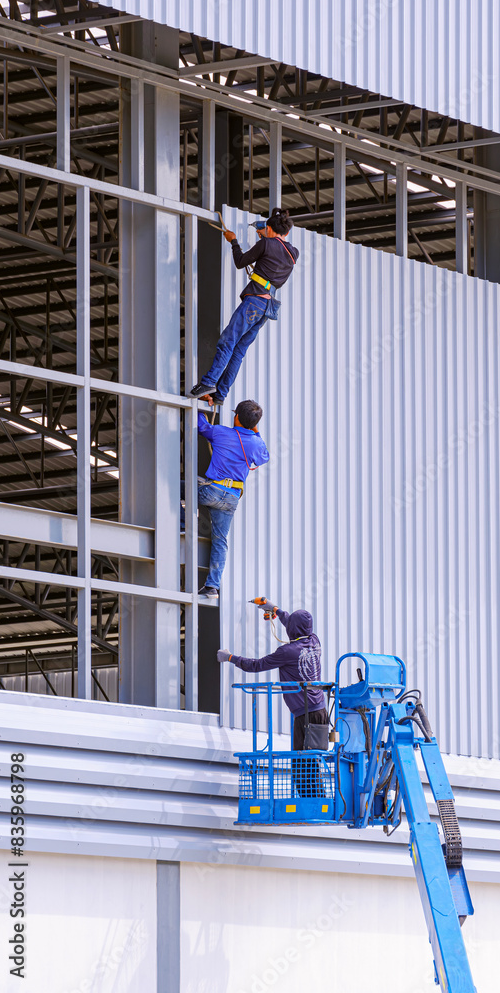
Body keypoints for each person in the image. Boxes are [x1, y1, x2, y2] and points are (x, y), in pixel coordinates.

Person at [190, 208, 298, 402]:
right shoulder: (293, 253)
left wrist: (233, 241)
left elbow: (240, 262)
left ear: (269, 228)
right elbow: (275, 252)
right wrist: (265, 236)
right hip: (268, 307)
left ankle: (208, 382)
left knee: (227, 342)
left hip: (254, 301)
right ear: (287, 232)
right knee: (238, 351)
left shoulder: (265, 243)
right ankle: (220, 394)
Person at [217, 605, 329, 751]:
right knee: (313, 761)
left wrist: (230, 657)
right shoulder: (314, 641)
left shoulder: (287, 652)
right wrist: (275, 609)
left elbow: (256, 665)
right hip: (321, 710)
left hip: (305, 715)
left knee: (303, 766)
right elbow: (292, 622)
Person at [196, 397, 269, 597]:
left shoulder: (221, 432)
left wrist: (199, 407)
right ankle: (212, 587)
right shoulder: (255, 444)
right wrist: (255, 430)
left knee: (179, 488)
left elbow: (201, 426)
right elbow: (264, 456)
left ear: (236, 417)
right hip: (231, 498)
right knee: (220, 541)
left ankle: (183, 523)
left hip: (212, 491)